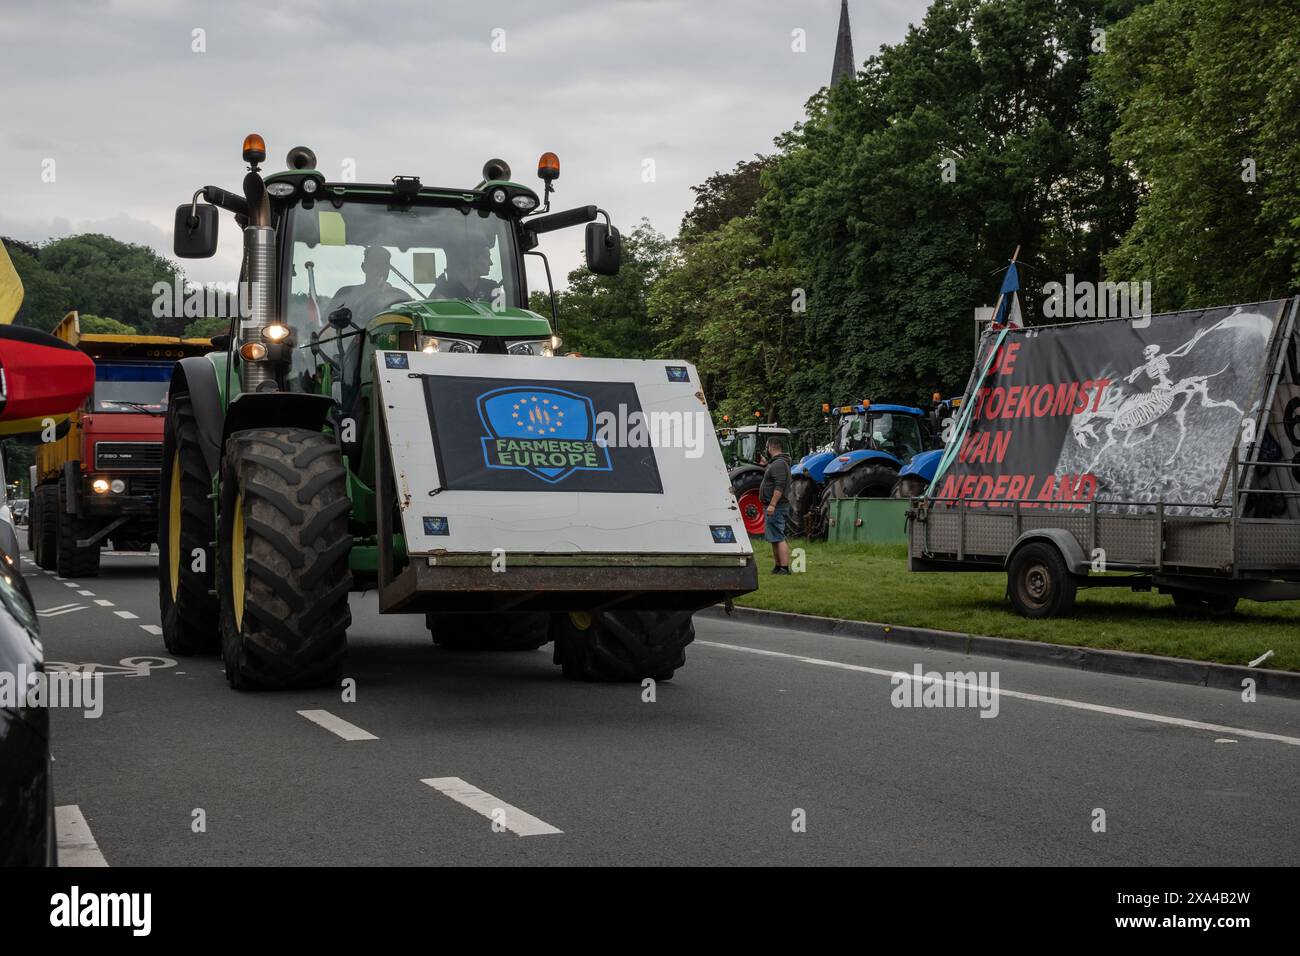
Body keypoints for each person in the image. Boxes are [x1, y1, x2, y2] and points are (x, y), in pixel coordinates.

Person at [328, 245, 406, 325]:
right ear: (363, 267)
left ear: (388, 269)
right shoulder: (345, 294)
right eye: (375, 265)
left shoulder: (402, 298)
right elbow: (327, 327)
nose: (380, 270)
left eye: (384, 266)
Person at [759, 436, 792, 574]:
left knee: (778, 536)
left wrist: (772, 504)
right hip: (773, 506)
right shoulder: (776, 464)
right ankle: (778, 566)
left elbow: (779, 486)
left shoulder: (779, 464)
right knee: (774, 538)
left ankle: (784, 567)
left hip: (776, 507)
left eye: (767, 447)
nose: (766, 450)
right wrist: (766, 465)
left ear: (771, 448)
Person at [432, 235, 501, 303]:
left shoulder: (493, 289)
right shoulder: (446, 291)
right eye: (487, 257)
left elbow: (501, 312)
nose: (491, 263)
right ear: (472, 259)